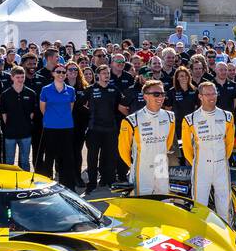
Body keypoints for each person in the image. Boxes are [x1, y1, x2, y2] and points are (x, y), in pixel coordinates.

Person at [181, 80, 235, 221]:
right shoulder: (190, 120)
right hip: (201, 167)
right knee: (199, 206)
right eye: (207, 94)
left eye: (214, 93)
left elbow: (229, 143)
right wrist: (197, 162)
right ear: (200, 96)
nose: (211, 97)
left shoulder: (227, 116)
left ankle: (225, 238)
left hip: (221, 166)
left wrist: (222, 159)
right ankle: (200, 238)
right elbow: (187, 148)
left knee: (224, 206)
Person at [119, 79, 174, 195]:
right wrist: (133, 165)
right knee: (143, 202)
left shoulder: (170, 117)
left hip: (161, 165)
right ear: (145, 97)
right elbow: (123, 149)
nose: (160, 97)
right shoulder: (132, 120)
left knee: (164, 199)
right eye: (156, 94)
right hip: (142, 168)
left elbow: (168, 143)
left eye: (163, 94)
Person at [84, 63, 123, 191]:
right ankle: (92, 182)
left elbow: (120, 107)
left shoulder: (114, 89)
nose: (107, 75)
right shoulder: (90, 89)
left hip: (111, 129)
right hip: (94, 129)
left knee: (110, 156)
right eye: (104, 73)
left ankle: (109, 180)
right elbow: (80, 105)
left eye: (108, 73)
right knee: (92, 157)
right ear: (98, 75)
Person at [38, 63, 78, 187]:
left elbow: (70, 107)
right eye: (58, 72)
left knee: (66, 157)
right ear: (53, 73)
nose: (61, 74)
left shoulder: (71, 90)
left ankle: (67, 185)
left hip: (66, 127)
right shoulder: (46, 89)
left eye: (63, 72)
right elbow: (42, 108)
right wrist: (52, 119)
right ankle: (46, 185)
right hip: (50, 127)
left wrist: (61, 119)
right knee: (49, 156)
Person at [0, 66, 38, 168]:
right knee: (9, 161)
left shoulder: (31, 93)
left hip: (25, 133)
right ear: (12, 77)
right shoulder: (5, 94)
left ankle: (25, 183)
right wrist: (10, 126)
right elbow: (4, 114)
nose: (20, 80)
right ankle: (10, 183)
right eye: (18, 77)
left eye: (22, 77)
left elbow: (32, 113)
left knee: (25, 161)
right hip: (10, 133)